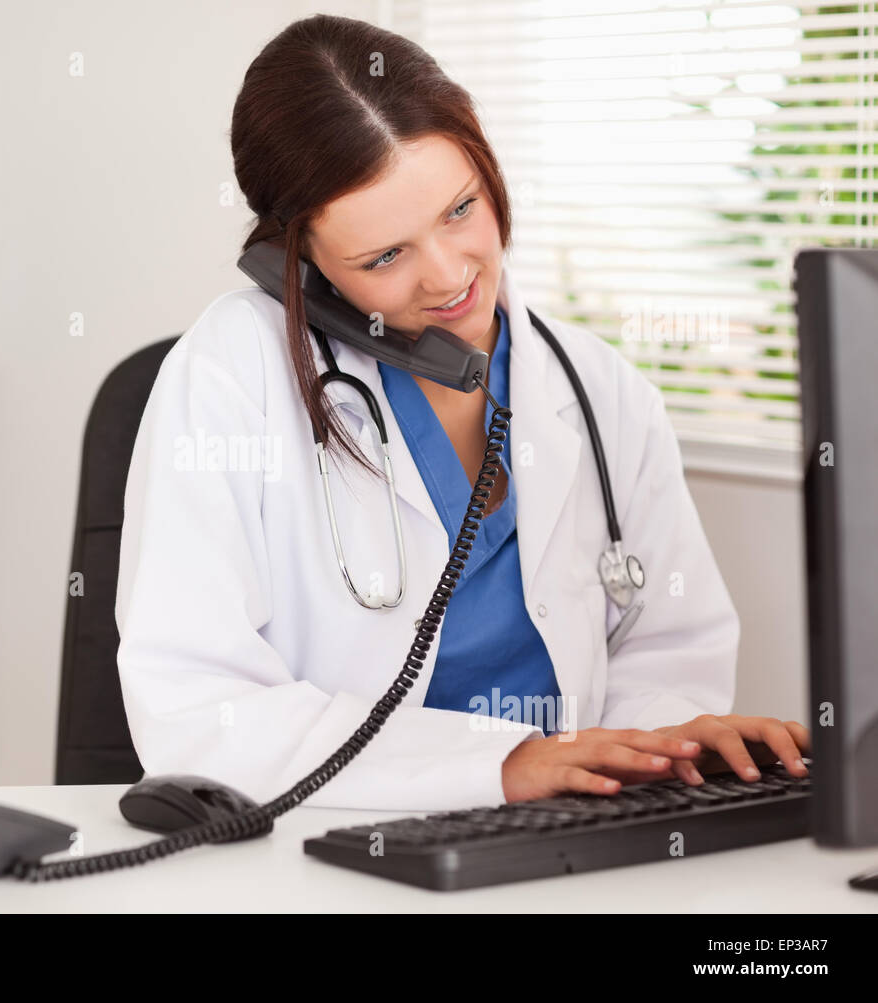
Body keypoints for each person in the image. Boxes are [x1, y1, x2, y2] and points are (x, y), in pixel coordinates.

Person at [114, 13, 810, 812]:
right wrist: (500, 764)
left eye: (460, 209)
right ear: (295, 260)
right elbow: (196, 705)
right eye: (384, 256)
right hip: (331, 849)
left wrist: (665, 745)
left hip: (574, 839)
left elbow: (668, 651)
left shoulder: (598, 387)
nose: (449, 278)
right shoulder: (230, 377)